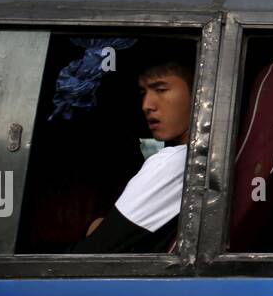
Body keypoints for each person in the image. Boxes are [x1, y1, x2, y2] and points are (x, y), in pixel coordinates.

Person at [73, 58, 192, 253]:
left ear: (199, 95)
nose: (147, 105)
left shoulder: (174, 163)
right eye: (143, 93)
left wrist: (94, 229)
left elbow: (87, 256)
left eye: (161, 90)